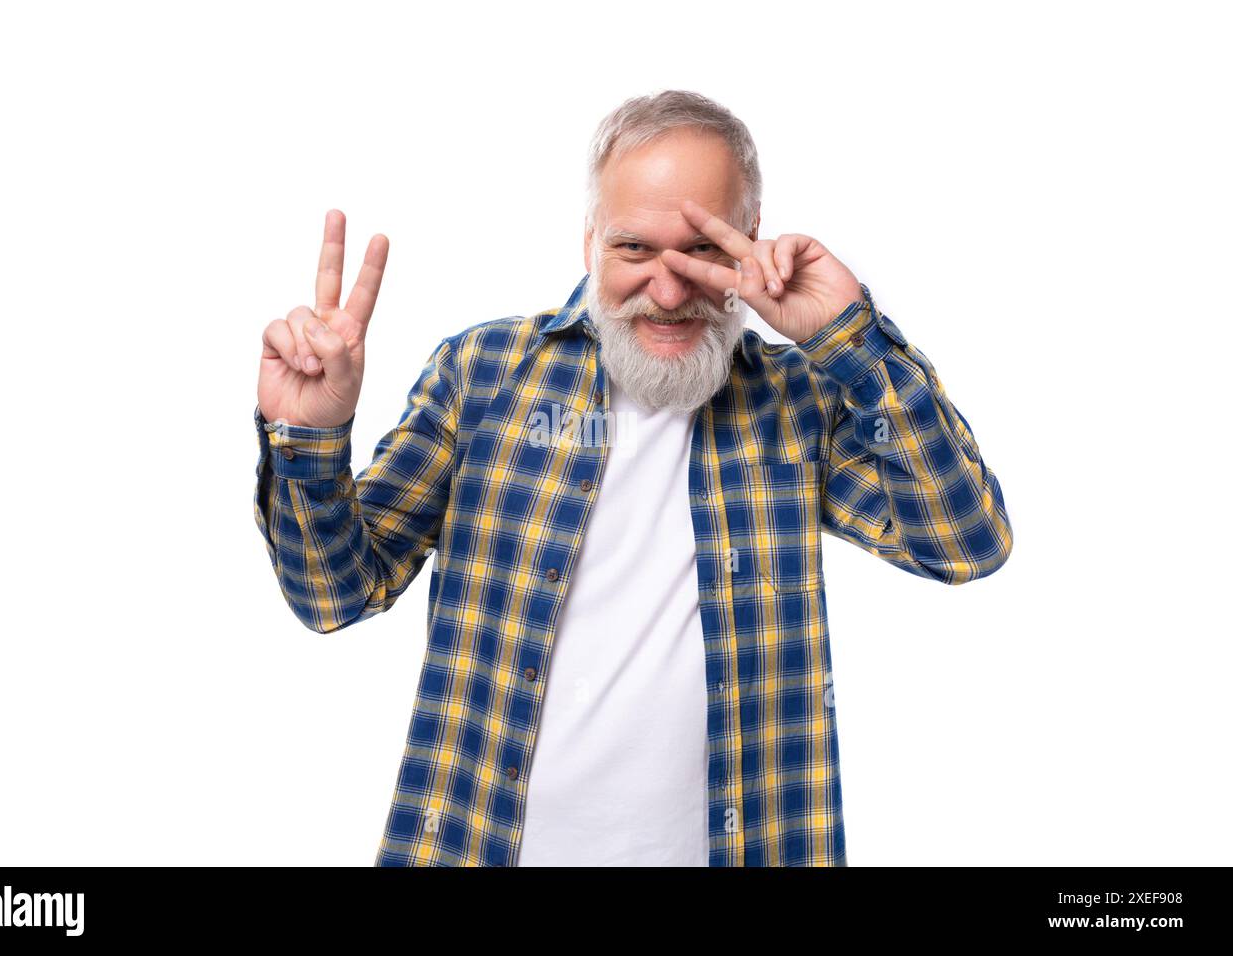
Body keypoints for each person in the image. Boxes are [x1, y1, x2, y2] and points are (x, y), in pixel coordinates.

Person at [252, 90, 1013, 867]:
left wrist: (853, 342)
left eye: (702, 250)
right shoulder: (480, 373)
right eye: (635, 249)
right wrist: (310, 437)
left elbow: (965, 543)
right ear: (589, 241)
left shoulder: (798, 401)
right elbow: (334, 595)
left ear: (751, 240)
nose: (670, 291)